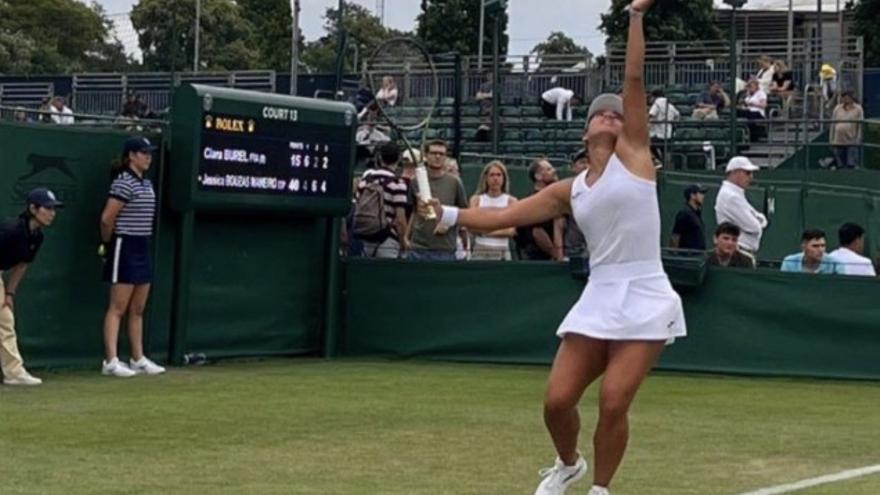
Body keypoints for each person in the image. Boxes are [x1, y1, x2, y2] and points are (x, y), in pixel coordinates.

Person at [422, 3, 685, 493]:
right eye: (599, 113)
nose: (611, 114)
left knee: (612, 400)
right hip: (599, 295)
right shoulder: (569, 189)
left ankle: (601, 489)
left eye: (617, 112)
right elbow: (503, 216)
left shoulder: (637, 157)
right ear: (585, 132)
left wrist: (634, 17)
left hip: (647, 292)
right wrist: (450, 214)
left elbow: (632, 78)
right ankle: (568, 464)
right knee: (556, 401)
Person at [99, 136, 166, 377]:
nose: (148, 157)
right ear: (131, 156)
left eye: (149, 153)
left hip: (142, 245)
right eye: (143, 152)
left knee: (137, 309)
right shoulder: (122, 183)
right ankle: (111, 361)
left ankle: (137, 358)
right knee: (117, 307)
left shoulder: (146, 185)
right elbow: (107, 218)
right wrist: (108, 244)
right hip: (123, 245)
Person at [0, 188, 63, 386]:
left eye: (54, 209)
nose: (52, 213)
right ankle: (14, 372)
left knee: (5, 322)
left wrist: (10, 292)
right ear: (33, 208)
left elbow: (22, 265)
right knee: (5, 322)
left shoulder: (37, 236)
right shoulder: (11, 230)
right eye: (48, 208)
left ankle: (14, 373)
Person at [405, 140, 468, 261]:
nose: (437, 156)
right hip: (418, 247)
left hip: (444, 249)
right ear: (426, 156)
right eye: (433, 153)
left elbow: (463, 212)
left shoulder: (455, 182)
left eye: (441, 153)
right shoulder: (415, 181)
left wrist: (448, 222)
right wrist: (406, 237)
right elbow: (414, 212)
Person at [352, 143, 409, 258]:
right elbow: (400, 219)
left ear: (379, 158)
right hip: (388, 239)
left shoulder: (366, 180)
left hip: (365, 235)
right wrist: (403, 241)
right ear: (398, 159)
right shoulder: (398, 183)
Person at [715, 156, 767, 257]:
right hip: (737, 251)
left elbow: (761, 218)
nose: (751, 177)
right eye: (747, 173)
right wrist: (758, 223)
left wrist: (758, 221)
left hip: (742, 252)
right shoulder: (731, 196)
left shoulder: (735, 193)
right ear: (734, 172)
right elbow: (754, 227)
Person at [469, 161, 517, 260]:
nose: (495, 178)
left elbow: (510, 231)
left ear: (504, 178)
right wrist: (498, 229)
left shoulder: (511, 201)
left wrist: (485, 231)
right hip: (480, 249)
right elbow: (472, 226)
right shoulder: (476, 200)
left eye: (499, 175)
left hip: (502, 249)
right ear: (486, 178)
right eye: (492, 175)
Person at [516, 158, 563, 261]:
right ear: (538, 176)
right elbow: (537, 232)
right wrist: (556, 255)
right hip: (538, 259)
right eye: (549, 169)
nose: (554, 171)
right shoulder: (534, 200)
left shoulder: (553, 198)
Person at [562, 150, 588, 258]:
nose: (586, 166)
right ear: (573, 167)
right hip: (574, 248)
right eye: (582, 162)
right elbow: (559, 224)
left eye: (589, 162)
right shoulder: (565, 189)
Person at [830, 91, 864, 169]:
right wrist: (831, 139)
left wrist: (858, 138)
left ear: (852, 98)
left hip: (852, 140)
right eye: (844, 97)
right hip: (838, 140)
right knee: (840, 164)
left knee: (851, 164)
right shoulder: (837, 108)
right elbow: (833, 124)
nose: (846, 99)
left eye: (848, 97)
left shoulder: (858, 109)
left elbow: (860, 124)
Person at [669, 184, 706, 251]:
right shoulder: (684, 213)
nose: (703, 196)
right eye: (700, 193)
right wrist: (675, 256)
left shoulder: (697, 213)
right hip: (688, 257)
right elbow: (675, 236)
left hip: (698, 256)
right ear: (692, 195)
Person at [475, 72, 494, 141]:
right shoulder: (483, 85)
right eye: (488, 75)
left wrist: (482, 95)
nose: (489, 76)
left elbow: (493, 95)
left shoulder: (496, 85)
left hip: (491, 110)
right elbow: (477, 97)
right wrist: (487, 95)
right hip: (483, 109)